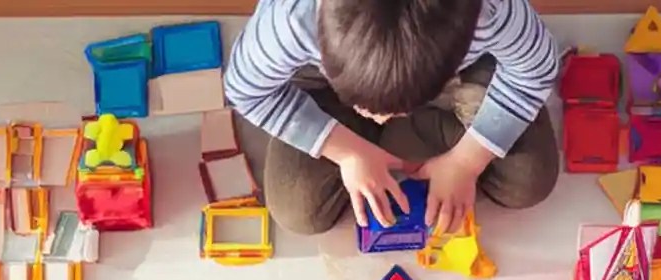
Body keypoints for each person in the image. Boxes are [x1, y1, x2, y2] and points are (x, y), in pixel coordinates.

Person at [224, 0, 560, 236]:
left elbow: (534, 70)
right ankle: (384, 137)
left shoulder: (492, 10)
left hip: (466, 67)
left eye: (396, 110)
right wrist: (345, 150)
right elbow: (245, 89)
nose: (385, 117)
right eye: (373, 109)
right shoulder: (292, 18)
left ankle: (407, 138)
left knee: (528, 181)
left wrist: (466, 162)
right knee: (297, 210)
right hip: (321, 78)